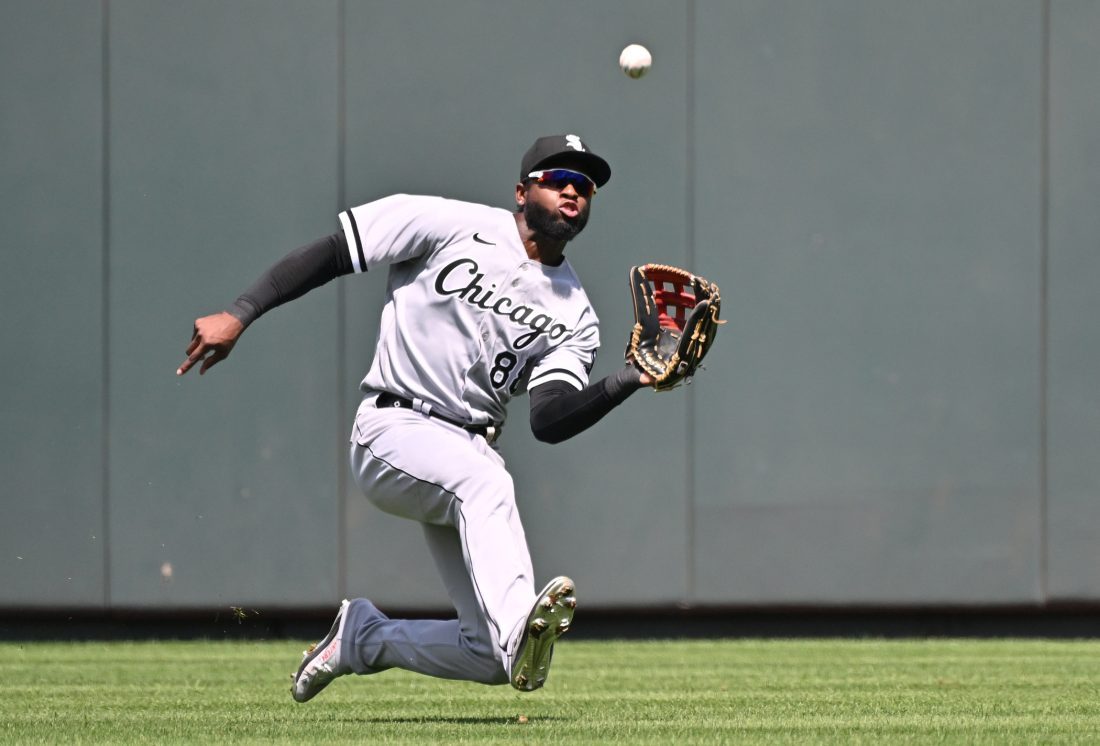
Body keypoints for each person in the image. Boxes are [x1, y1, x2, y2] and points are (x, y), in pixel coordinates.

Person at [178, 134, 653, 699]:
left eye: (585, 186)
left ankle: (365, 639)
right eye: (559, 180)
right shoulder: (448, 223)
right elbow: (334, 253)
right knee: (488, 486)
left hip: (468, 451)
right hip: (393, 426)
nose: (574, 192)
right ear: (522, 191)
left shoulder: (576, 313)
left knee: (492, 657)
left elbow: (548, 419)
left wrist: (630, 378)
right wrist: (241, 313)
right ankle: (519, 622)